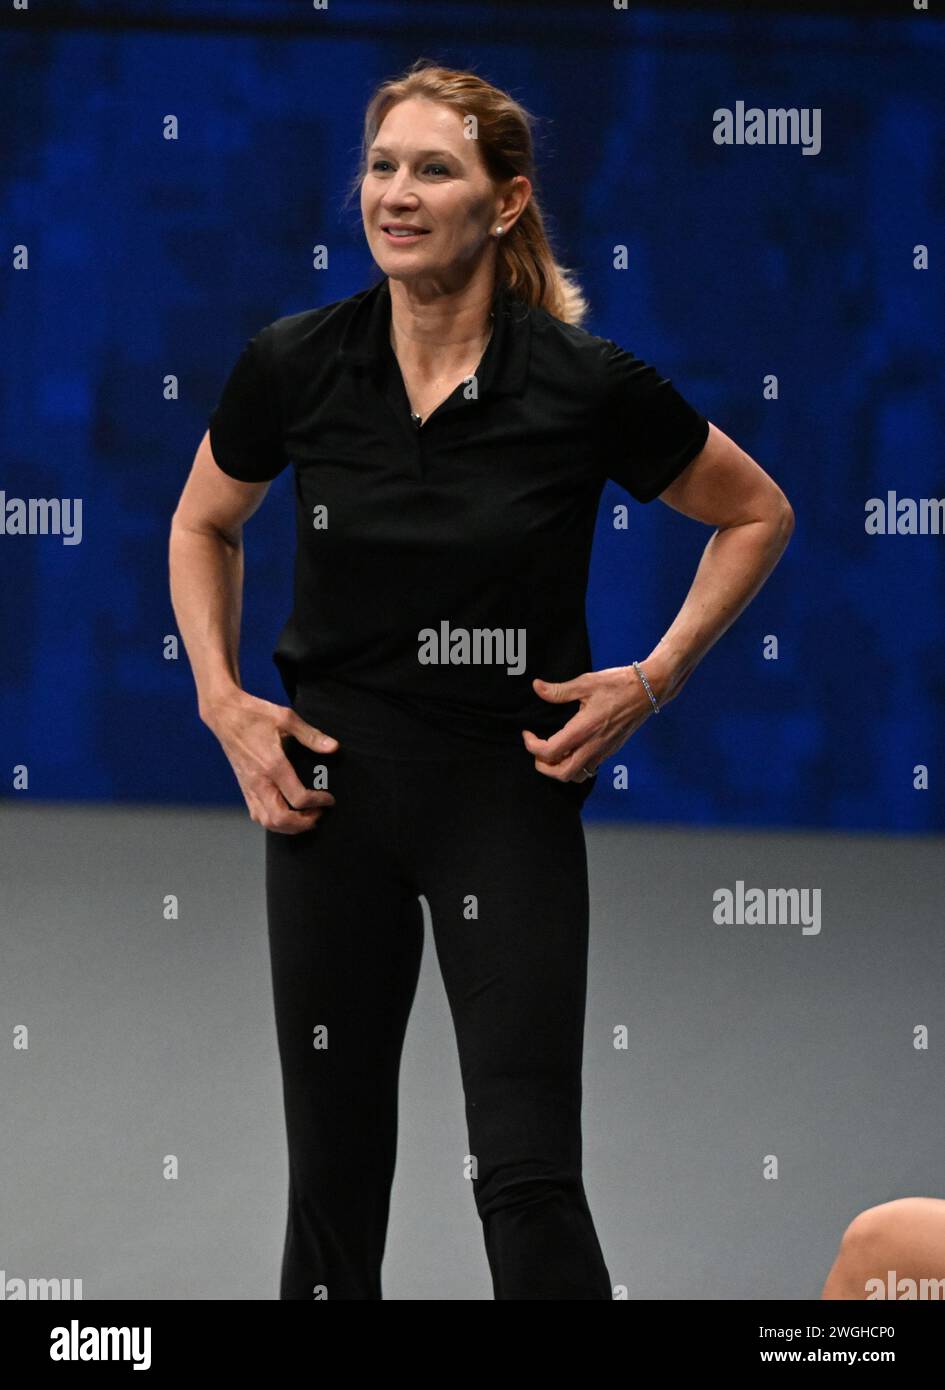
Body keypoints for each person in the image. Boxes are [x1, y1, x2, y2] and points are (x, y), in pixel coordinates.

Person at [169, 59, 794, 1300]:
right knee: (333, 1182)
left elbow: (756, 510)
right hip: (327, 802)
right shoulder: (296, 362)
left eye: (433, 170)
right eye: (382, 166)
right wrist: (223, 700)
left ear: (504, 204)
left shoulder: (581, 385)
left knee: (525, 1174)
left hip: (502, 801)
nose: (396, 195)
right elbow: (202, 522)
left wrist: (652, 681)